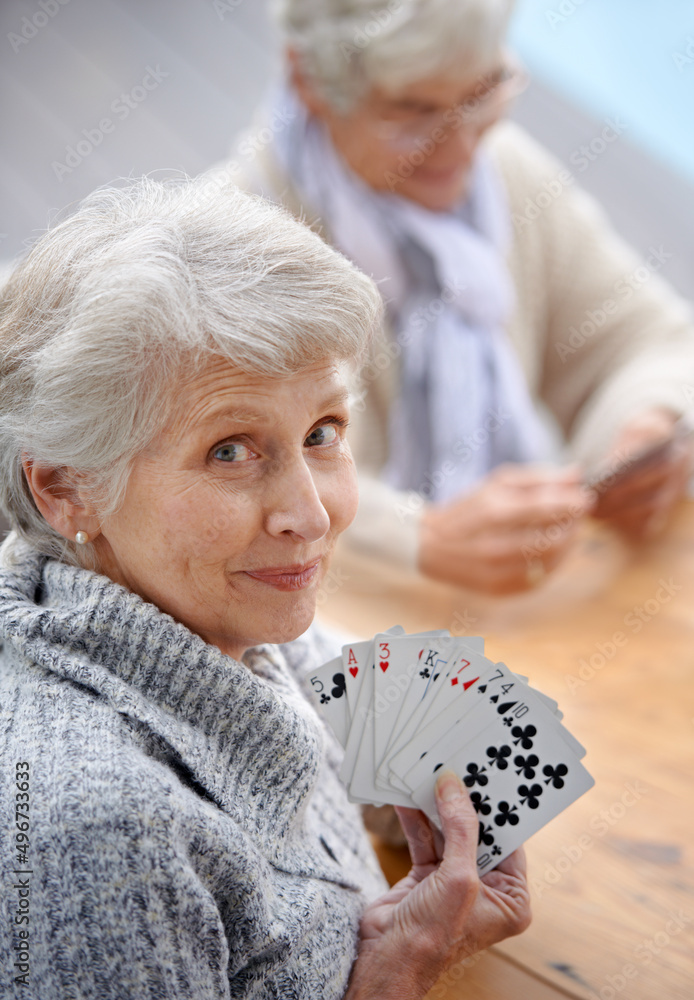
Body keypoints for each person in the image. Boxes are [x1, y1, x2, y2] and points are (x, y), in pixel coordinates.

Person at [0, 177, 530, 999]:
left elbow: (423, 731)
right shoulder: (99, 837)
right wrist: (393, 976)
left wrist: (458, 795)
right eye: (230, 450)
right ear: (66, 489)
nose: (312, 515)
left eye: (322, 432)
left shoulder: (199, 611)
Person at [223, 0, 694, 595]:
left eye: (483, 94)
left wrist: (644, 426)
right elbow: (243, 495)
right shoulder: (234, 256)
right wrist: (421, 540)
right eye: (412, 112)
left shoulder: (505, 174)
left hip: (517, 610)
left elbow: (655, 342)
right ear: (309, 80)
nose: (459, 148)